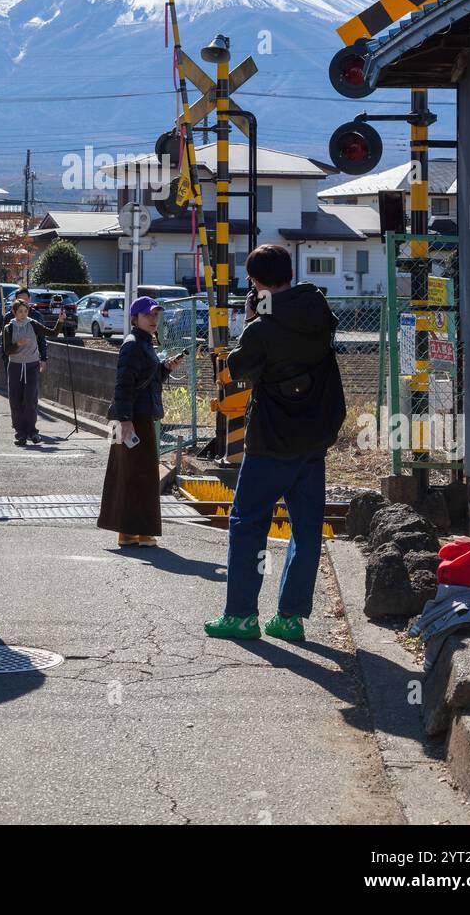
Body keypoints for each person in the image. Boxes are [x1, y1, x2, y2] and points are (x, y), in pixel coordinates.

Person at [205, 245, 345, 643]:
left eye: (251, 281)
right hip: (314, 437)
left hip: (272, 441)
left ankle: (241, 615)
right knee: (306, 527)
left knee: (248, 522)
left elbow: (236, 371)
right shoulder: (317, 311)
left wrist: (250, 322)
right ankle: (290, 617)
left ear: (257, 282)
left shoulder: (262, 328)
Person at [97, 296, 183, 548]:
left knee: (133, 474)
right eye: (148, 315)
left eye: (156, 315)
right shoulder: (134, 344)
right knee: (136, 474)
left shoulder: (143, 343)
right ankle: (133, 531)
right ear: (135, 318)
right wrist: (125, 420)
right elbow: (122, 385)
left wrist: (165, 368)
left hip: (133, 418)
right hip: (132, 419)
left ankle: (135, 532)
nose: (154, 319)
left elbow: (144, 379)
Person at [1, 295, 47, 446]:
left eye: (25, 311)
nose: (23, 314)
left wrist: (60, 320)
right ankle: (20, 433)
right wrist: (18, 344)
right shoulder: (9, 327)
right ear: (14, 312)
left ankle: (32, 431)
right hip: (15, 366)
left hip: (32, 365)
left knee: (29, 400)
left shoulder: (33, 324)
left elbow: (51, 332)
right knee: (15, 400)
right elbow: (7, 350)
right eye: (20, 311)